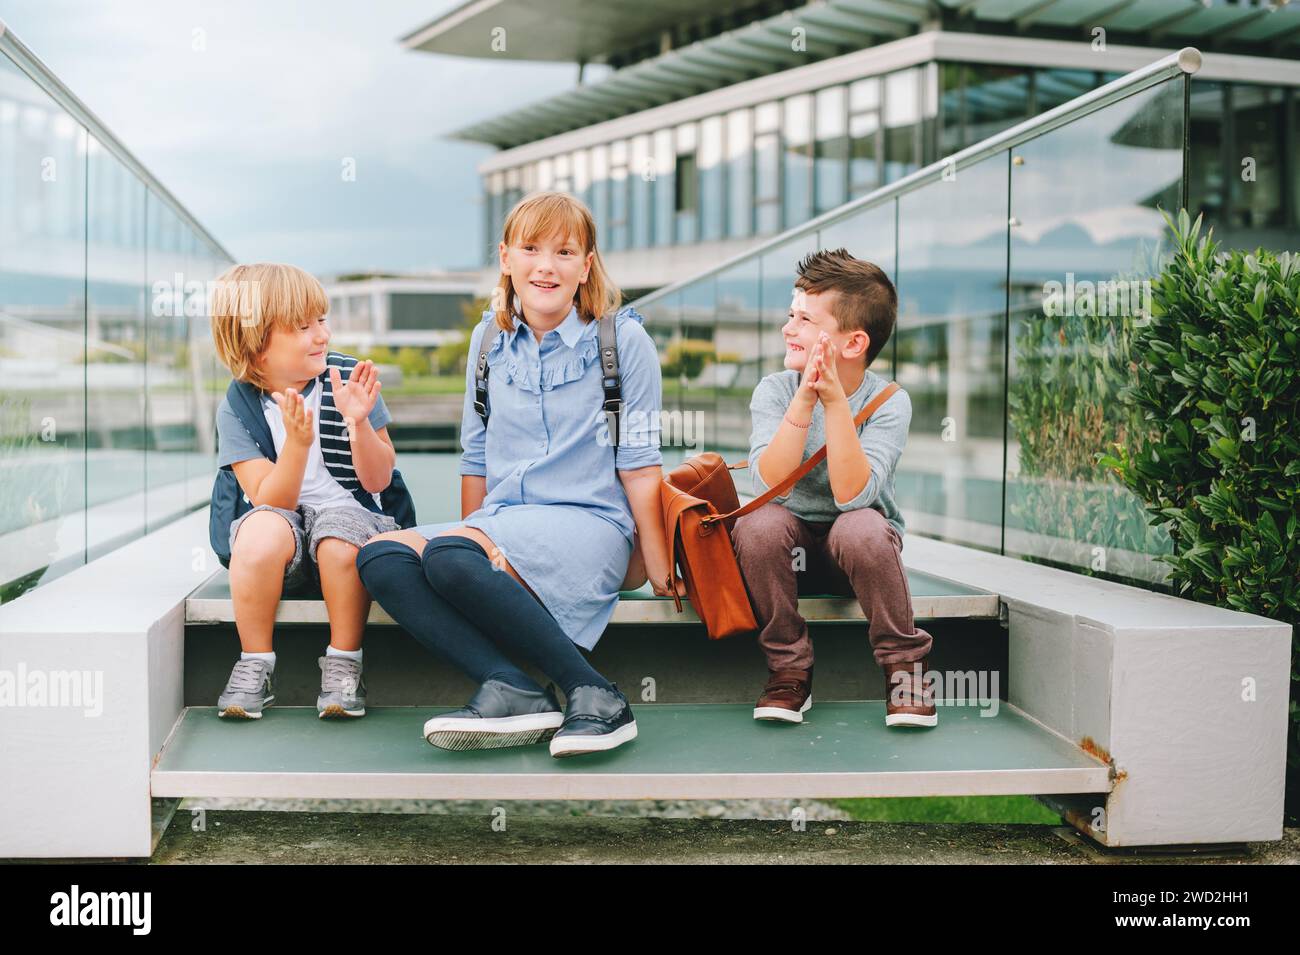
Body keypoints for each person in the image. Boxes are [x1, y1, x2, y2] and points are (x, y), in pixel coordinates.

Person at [356, 191, 678, 758]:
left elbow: (641, 463)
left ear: (586, 264)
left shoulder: (623, 341)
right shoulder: (486, 342)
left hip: (593, 524)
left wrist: (655, 566)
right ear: (506, 258)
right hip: (506, 522)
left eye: (564, 251)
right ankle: (514, 688)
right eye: (530, 248)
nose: (546, 265)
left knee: (451, 552)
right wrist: (469, 548)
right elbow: (475, 456)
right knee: (382, 556)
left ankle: (595, 693)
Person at [731, 248, 936, 727]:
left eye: (804, 320)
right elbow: (770, 482)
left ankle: (904, 668)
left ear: (853, 342)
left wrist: (836, 404)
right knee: (758, 523)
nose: (788, 328)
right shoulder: (775, 390)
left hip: (859, 560)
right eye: (790, 314)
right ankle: (788, 670)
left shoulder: (888, 402)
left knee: (861, 526)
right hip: (785, 561)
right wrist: (804, 400)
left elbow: (854, 495)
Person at [209, 263, 414, 720]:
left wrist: (358, 423)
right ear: (256, 345)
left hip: (350, 513)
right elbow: (269, 498)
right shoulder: (239, 405)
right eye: (302, 327)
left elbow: (379, 480)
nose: (321, 335)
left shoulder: (349, 380)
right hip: (284, 524)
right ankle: (254, 663)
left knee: (340, 541)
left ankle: (344, 662)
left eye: (321, 320)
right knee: (257, 534)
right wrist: (297, 446)